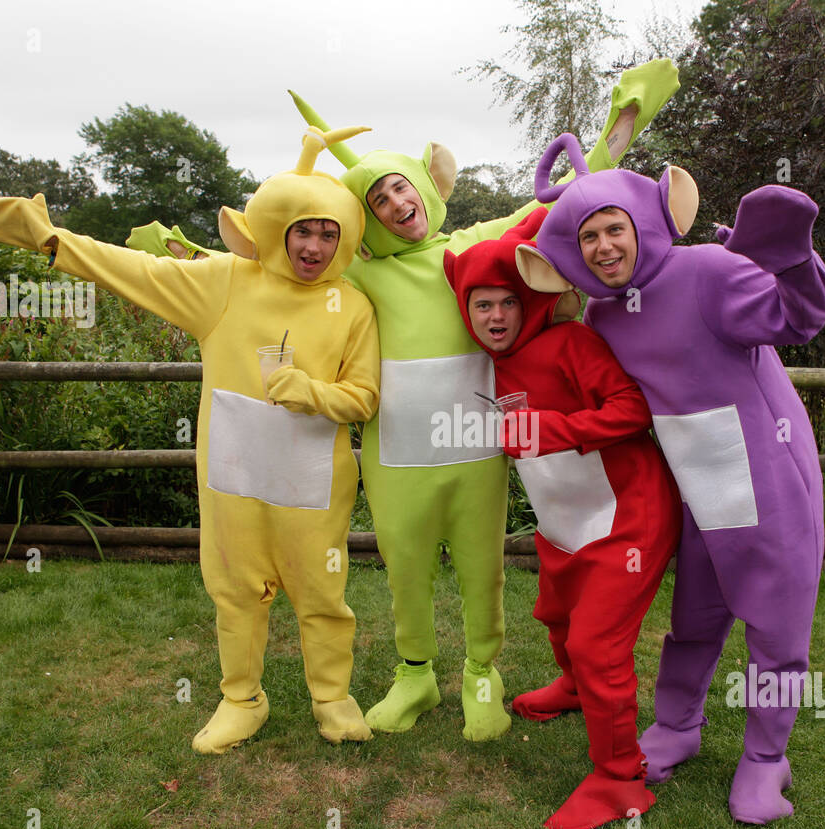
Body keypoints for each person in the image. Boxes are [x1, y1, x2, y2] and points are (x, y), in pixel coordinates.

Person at [287, 59, 680, 741]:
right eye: (375, 200)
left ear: (422, 188)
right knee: (404, 568)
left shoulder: (477, 246)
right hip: (396, 458)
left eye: (399, 189)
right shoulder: (359, 270)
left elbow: (564, 195)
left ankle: (481, 673)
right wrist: (291, 176)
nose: (394, 205)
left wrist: (626, 119)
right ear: (367, 217)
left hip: (478, 452)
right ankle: (414, 673)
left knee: (481, 568)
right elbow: (292, 238)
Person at [0, 127, 381, 753]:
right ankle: (240, 699)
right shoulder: (224, 281)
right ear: (277, 229)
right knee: (234, 590)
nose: (314, 245)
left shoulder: (352, 305)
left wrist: (313, 393)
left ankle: (332, 697)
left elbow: (365, 398)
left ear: (346, 237)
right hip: (234, 478)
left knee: (322, 594)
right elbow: (135, 269)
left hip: (313, 484)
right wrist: (52, 238)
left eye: (329, 232)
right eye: (303, 229)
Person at [516, 134, 825, 824]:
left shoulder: (710, 271)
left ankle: (763, 758)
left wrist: (792, 261)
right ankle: (678, 726)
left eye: (613, 229)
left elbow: (800, 318)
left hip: (769, 481)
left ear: (639, 223)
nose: (604, 246)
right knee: (693, 620)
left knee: (777, 635)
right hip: (694, 488)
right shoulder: (602, 313)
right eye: (588, 237)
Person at [443, 208, 681, 829]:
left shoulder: (571, 343)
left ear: (528, 302)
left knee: (597, 644)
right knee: (556, 616)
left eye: (506, 304)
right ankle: (576, 691)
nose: (495, 317)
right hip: (563, 520)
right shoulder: (484, 367)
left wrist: (557, 429)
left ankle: (620, 781)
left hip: (627, 515)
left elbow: (633, 409)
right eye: (481, 305)